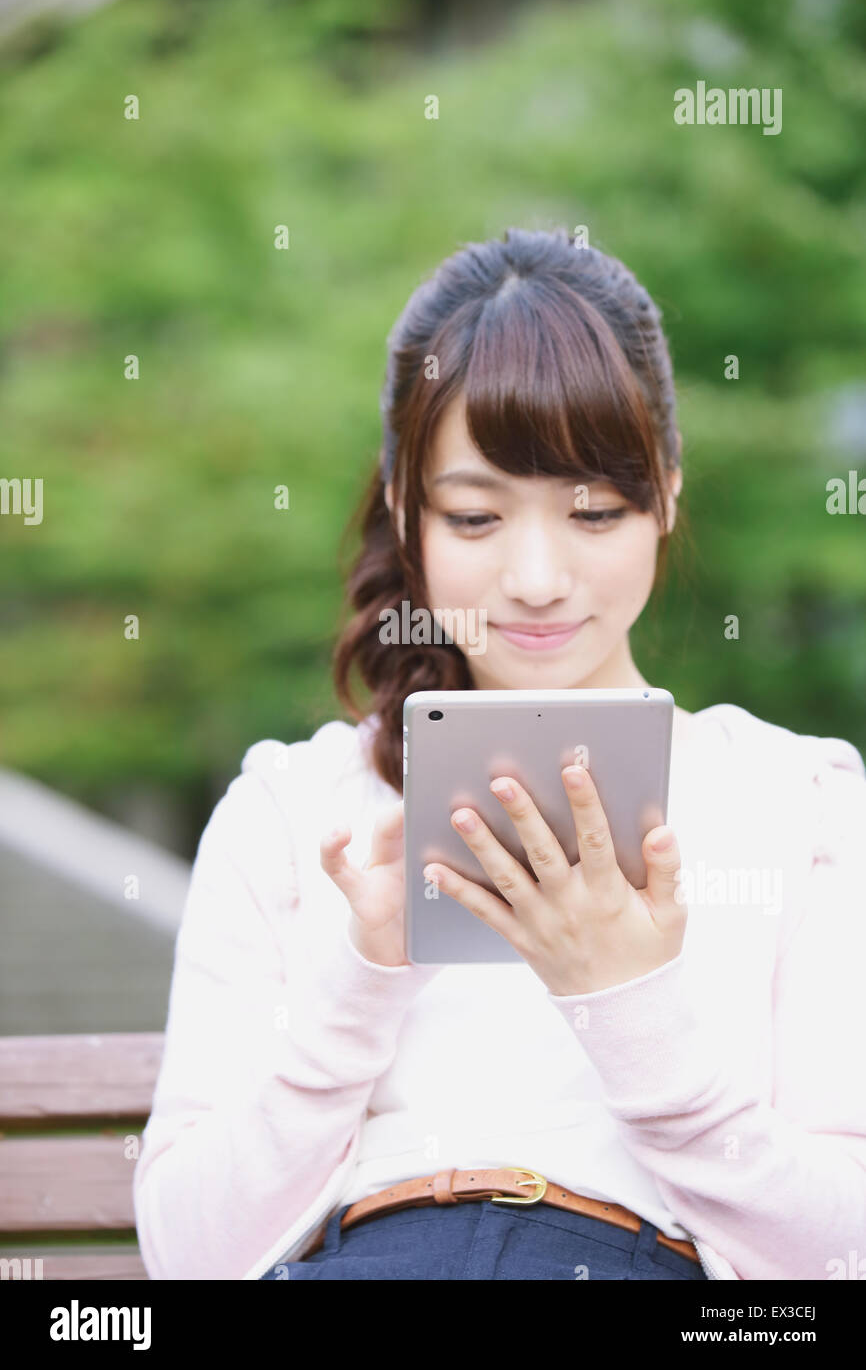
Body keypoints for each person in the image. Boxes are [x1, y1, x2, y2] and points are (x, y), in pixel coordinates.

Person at [132, 227, 866, 1281]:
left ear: (664, 494)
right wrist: (362, 973)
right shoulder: (293, 809)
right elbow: (187, 1259)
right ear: (404, 510)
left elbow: (837, 1257)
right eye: (474, 517)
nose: (533, 576)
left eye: (593, 511)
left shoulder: (800, 802)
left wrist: (626, 1000)